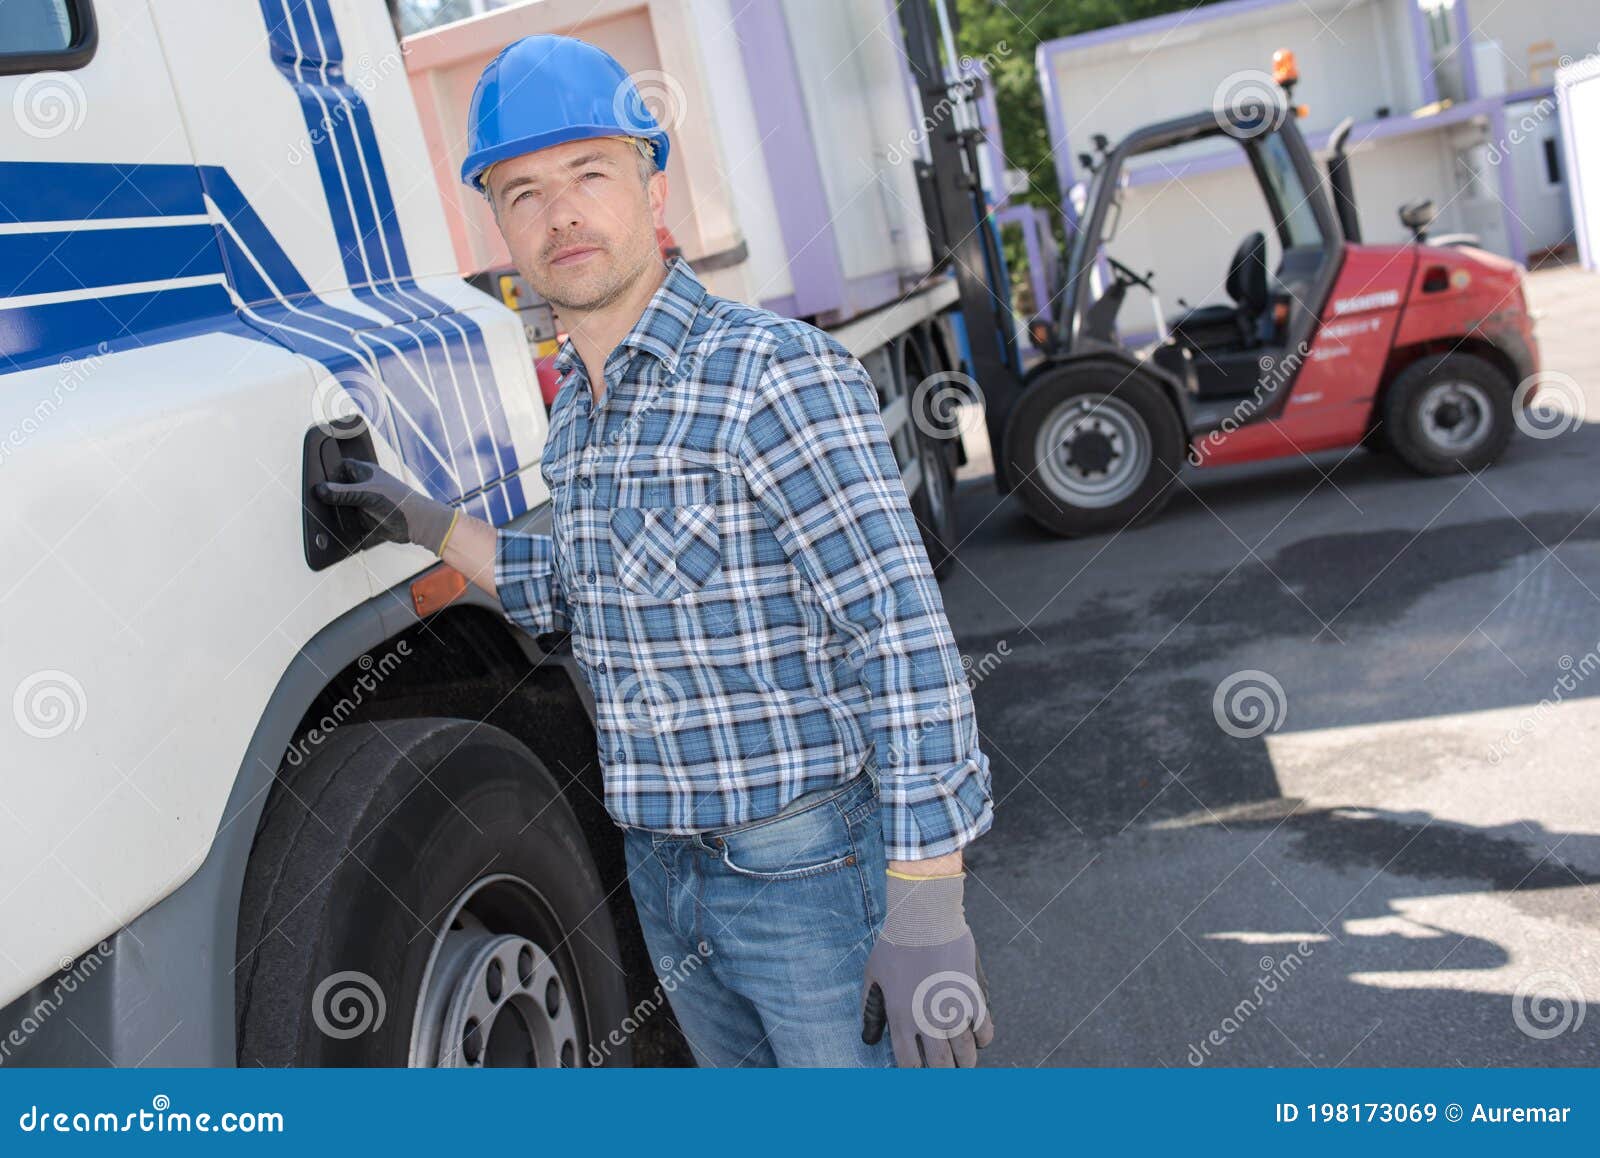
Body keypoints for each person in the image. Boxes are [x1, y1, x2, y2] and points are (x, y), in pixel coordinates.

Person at [316, 33, 994, 1067]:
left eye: (590, 172)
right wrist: (428, 522)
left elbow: (899, 640)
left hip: (806, 878)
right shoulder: (579, 414)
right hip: (666, 880)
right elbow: (581, 594)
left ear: (653, 189)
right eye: (524, 191)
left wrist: (928, 906)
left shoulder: (771, 374)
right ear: (500, 225)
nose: (561, 213)